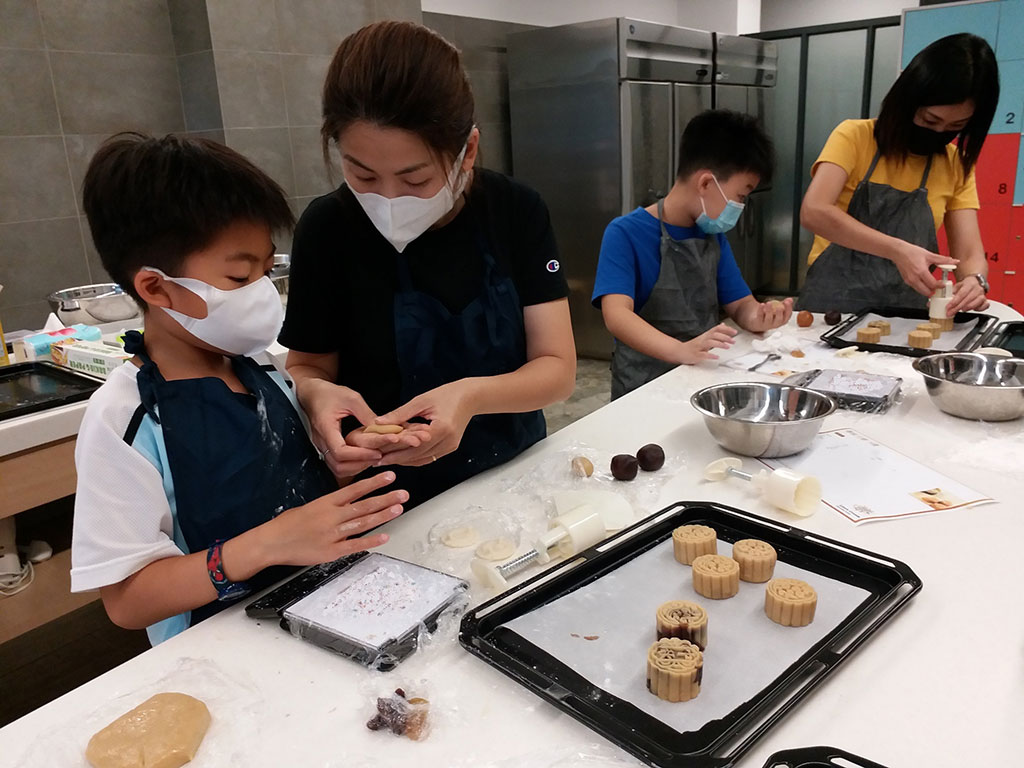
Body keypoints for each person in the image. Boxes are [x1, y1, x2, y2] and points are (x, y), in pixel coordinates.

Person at [71, 134, 407, 645]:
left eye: (267, 271)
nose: (262, 292)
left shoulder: (261, 370)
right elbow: (128, 600)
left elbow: (285, 481)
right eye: (239, 276)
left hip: (322, 612)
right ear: (156, 287)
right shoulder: (126, 417)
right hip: (221, 651)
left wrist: (345, 457)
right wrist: (266, 545)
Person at [280, 21, 576, 507]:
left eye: (415, 180)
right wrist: (315, 398)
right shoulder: (327, 227)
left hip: (513, 477)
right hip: (386, 495)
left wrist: (470, 397)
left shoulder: (515, 209)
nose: (389, 199)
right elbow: (307, 367)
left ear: (467, 151)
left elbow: (557, 368)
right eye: (362, 174)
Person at [593, 109, 788, 400]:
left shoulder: (712, 235)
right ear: (706, 183)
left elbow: (740, 304)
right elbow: (617, 316)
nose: (740, 207)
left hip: (700, 382)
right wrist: (679, 350)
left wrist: (759, 317)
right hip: (641, 390)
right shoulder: (625, 233)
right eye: (740, 196)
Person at [798, 33, 999, 314]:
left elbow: (968, 254)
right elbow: (814, 211)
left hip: (907, 313)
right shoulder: (855, 137)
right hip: (831, 308)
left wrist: (975, 280)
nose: (940, 132)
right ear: (907, 101)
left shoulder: (955, 163)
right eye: (930, 119)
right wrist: (897, 250)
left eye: (956, 126)